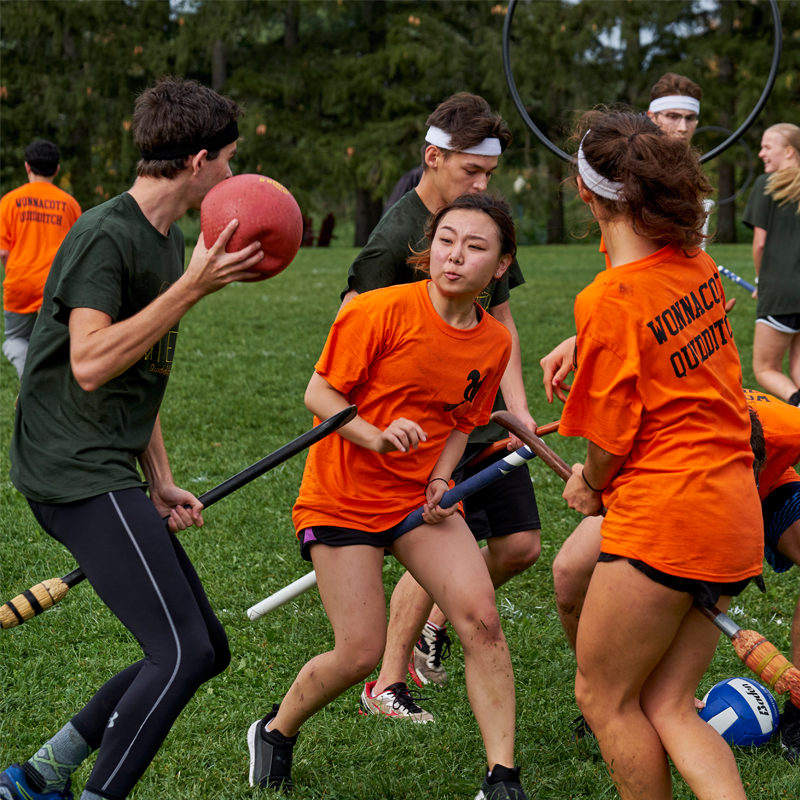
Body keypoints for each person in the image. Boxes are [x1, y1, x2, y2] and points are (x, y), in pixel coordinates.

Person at [0, 76, 264, 800]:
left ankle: (40, 773)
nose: (234, 176)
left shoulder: (170, 238)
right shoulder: (103, 235)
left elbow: (137, 374)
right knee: (177, 652)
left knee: (204, 650)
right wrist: (192, 290)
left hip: (110, 463)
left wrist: (160, 475)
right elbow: (89, 363)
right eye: (231, 160)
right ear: (199, 160)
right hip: (69, 467)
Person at [248, 193, 529, 800]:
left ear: (502, 265)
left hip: (415, 504)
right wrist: (371, 436)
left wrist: (440, 478)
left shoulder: (493, 343)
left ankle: (502, 778)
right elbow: (319, 394)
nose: (455, 256)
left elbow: (462, 421)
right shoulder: (378, 310)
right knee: (358, 654)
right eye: (447, 240)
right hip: (342, 497)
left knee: (481, 619)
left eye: (476, 246)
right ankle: (274, 731)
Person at [558, 109, 762, 800]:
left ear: (587, 196)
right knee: (670, 703)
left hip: (665, 522)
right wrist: (583, 342)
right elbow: (656, 332)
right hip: (733, 513)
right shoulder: (695, 262)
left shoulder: (609, 298)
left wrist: (589, 484)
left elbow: (610, 443)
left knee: (605, 698)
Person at [341, 92, 542, 705]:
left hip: (479, 411)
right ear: (433, 158)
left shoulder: (483, 226)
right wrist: (380, 428)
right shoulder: (392, 242)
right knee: (433, 548)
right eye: (470, 171)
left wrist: (518, 408)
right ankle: (389, 678)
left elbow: (501, 319)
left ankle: (434, 630)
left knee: (520, 545)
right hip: (424, 436)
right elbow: (346, 341)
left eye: (488, 174)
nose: (481, 185)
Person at [744, 389, 800, 761]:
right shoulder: (659, 435)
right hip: (681, 490)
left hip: (772, 481)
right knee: (571, 571)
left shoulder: (788, 429)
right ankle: (611, 697)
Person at [0, 139, 81, 379]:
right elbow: (78, 251)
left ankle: (29, 378)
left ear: (27, 167)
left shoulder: (9, 201)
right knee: (59, 343)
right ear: (57, 169)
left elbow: (3, 252)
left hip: (20, 283)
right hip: (58, 287)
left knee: (15, 339)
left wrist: (14, 271)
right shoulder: (70, 205)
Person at [743, 123, 800, 406]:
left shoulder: (766, 184)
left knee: (765, 368)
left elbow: (760, 243)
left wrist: (760, 282)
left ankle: (796, 402)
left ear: (789, 151)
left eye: (768, 147)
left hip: (779, 293)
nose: (761, 153)